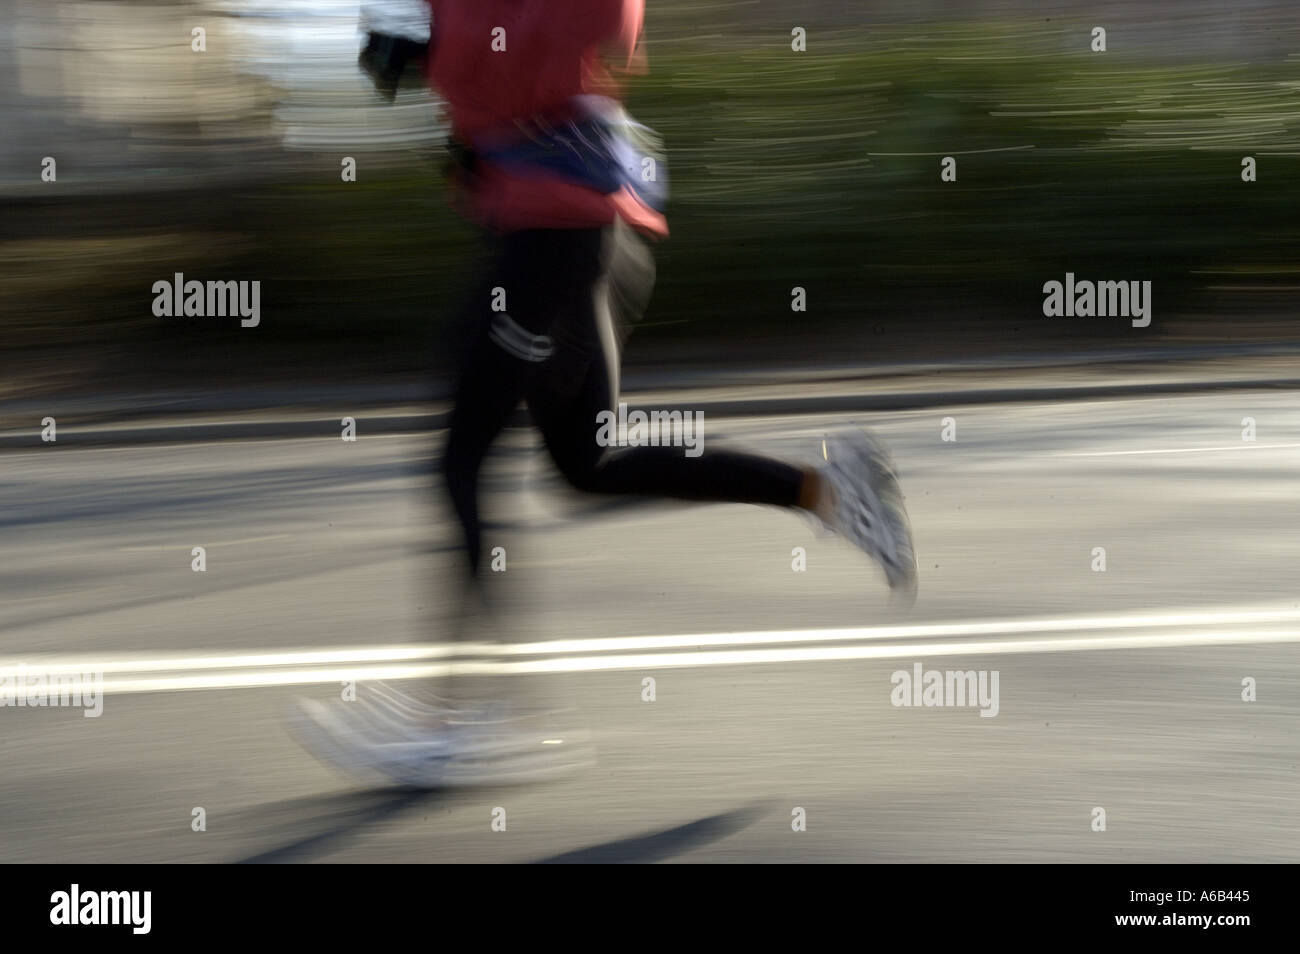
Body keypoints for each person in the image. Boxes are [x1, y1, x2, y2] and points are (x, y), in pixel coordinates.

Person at [292, 0, 917, 789]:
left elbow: (598, 21)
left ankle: (458, 720)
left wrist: (445, 42)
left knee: (459, 463)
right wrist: (421, 51)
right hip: (557, 234)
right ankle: (827, 492)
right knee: (586, 462)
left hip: (557, 242)